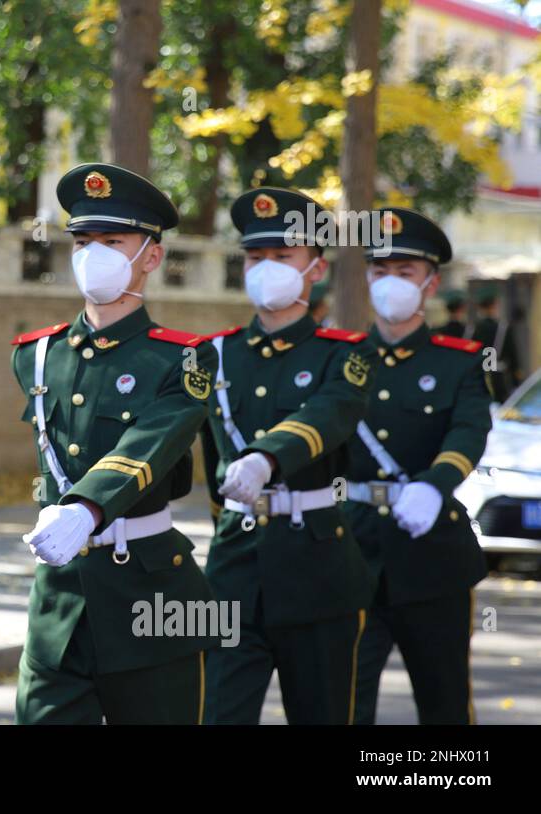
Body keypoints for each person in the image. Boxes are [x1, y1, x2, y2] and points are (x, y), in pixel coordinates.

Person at [9, 163, 218, 724]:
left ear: (151, 255)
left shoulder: (184, 356)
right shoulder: (36, 354)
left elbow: (156, 438)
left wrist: (87, 504)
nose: (92, 254)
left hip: (151, 598)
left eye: (112, 240)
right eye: (83, 240)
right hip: (60, 602)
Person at [199, 187, 376, 724]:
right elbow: (210, 458)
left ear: (315, 269)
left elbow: (331, 414)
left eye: (283, 258)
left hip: (316, 567)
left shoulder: (345, 353)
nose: (266, 268)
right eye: (256, 258)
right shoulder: (214, 353)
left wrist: (265, 459)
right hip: (235, 567)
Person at [345, 208, 490, 724]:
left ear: (430, 283)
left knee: (444, 699)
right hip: (351, 551)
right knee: (341, 701)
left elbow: (469, 432)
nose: (390, 284)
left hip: (433, 558)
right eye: (380, 272)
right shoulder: (339, 359)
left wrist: (435, 484)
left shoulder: (460, 361)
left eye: (404, 273)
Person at [471, 287, 520, 403]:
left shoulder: (474, 329)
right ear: (495, 304)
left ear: (479, 306)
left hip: (478, 378)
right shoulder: (503, 328)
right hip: (500, 380)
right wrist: (516, 382)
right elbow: (513, 357)